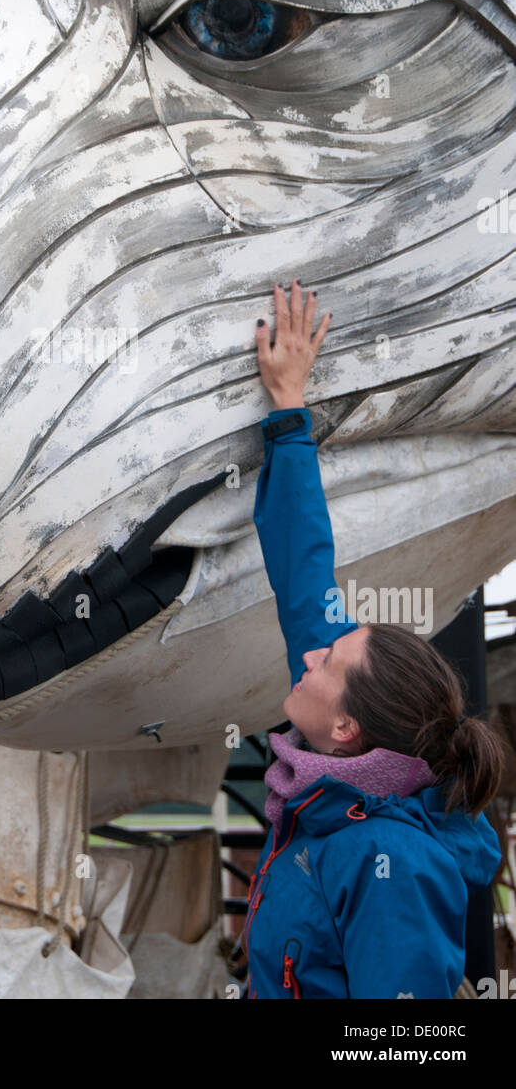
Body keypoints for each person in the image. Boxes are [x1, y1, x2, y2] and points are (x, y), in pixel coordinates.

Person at [241, 277, 504, 999]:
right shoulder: (330, 789)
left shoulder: (388, 860)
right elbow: (305, 576)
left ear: (346, 725)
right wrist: (289, 412)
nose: (313, 651)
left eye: (330, 658)